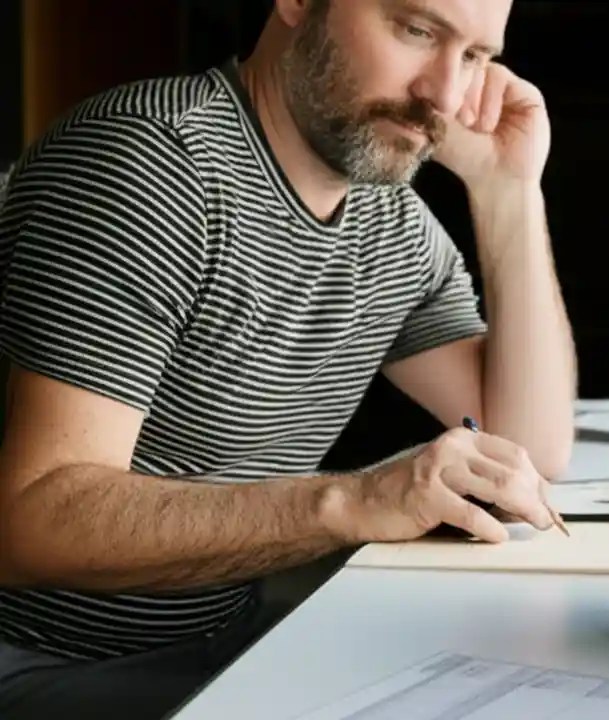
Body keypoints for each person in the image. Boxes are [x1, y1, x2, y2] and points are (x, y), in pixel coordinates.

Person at [0, 0, 577, 716]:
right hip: (39, 661)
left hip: (225, 639)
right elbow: (30, 521)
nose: (447, 95)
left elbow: (529, 448)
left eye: (474, 58)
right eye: (417, 31)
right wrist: (354, 501)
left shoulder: (387, 220)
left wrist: (508, 191)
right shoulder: (151, 165)